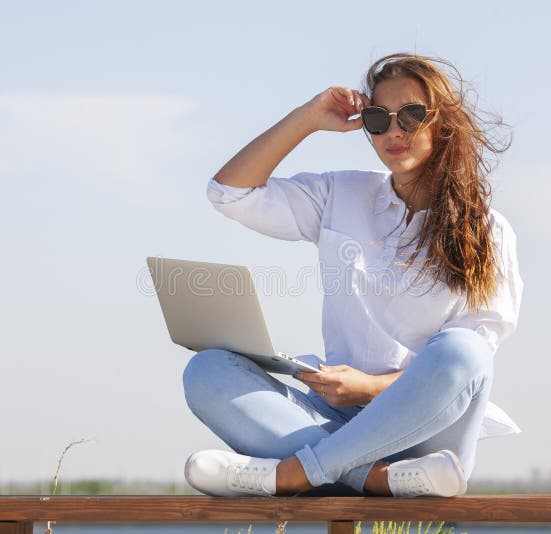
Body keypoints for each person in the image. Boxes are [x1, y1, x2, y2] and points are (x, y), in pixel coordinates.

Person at [181, 53, 523, 498]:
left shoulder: (489, 230)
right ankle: (371, 479)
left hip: (425, 433)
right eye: (378, 119)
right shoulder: (341, 193)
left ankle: (294, 475)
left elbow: (467, 365)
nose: (393, 131)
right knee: (206, 370)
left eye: (412, 115)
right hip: (333, 419)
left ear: (443, 122)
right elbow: (229, 193)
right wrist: (307, 118)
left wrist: (370, 387)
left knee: (467, 350)